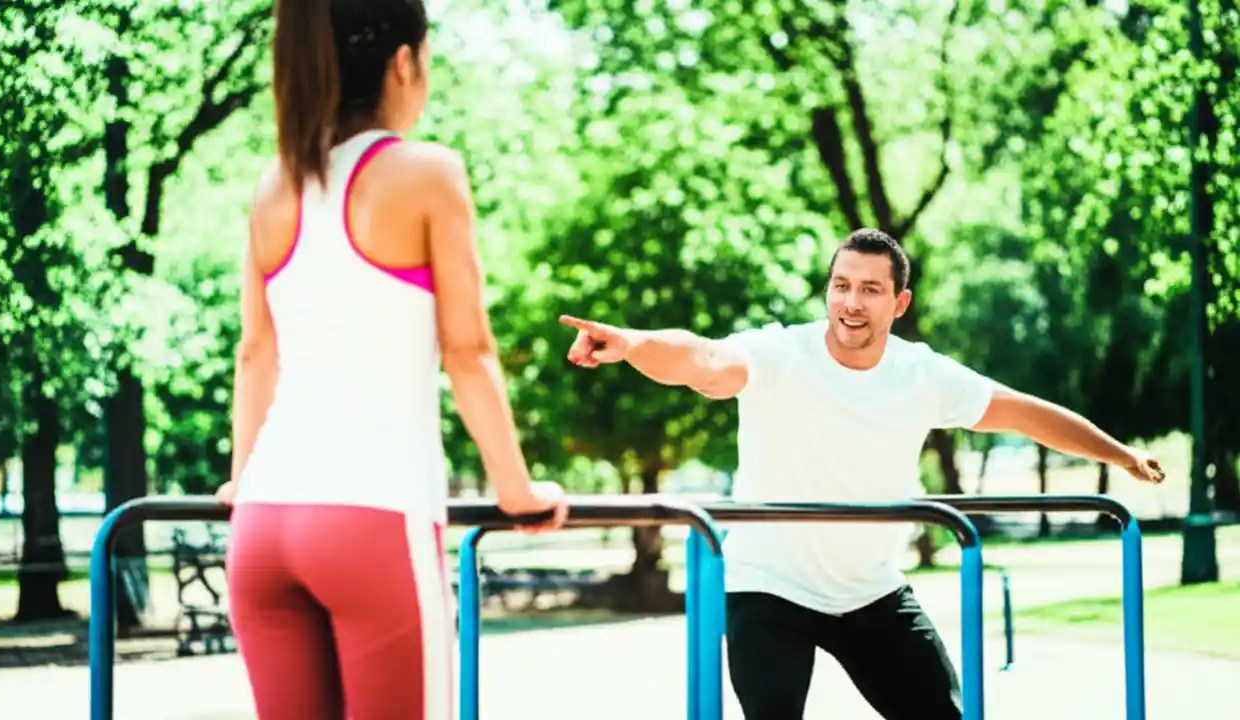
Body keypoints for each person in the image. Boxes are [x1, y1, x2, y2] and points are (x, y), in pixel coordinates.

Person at [560, 227, 1164, 720]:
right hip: (769, 587)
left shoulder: (921, 374)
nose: (851, 302)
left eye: (871, 290)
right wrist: (635, 343)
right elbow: (705, 359)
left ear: (898, 303)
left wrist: (1120, 455)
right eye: (841, 285)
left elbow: (1024, 414)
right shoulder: (780, 355)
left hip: (870, 591)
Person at [215, 1, 568, 718]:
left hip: (263, 525)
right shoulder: (427, 173)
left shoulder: (273, 184)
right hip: (370, 519)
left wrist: (238, 478)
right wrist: (518, 491)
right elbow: (468, 351)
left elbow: (256, 353)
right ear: (403, 62)